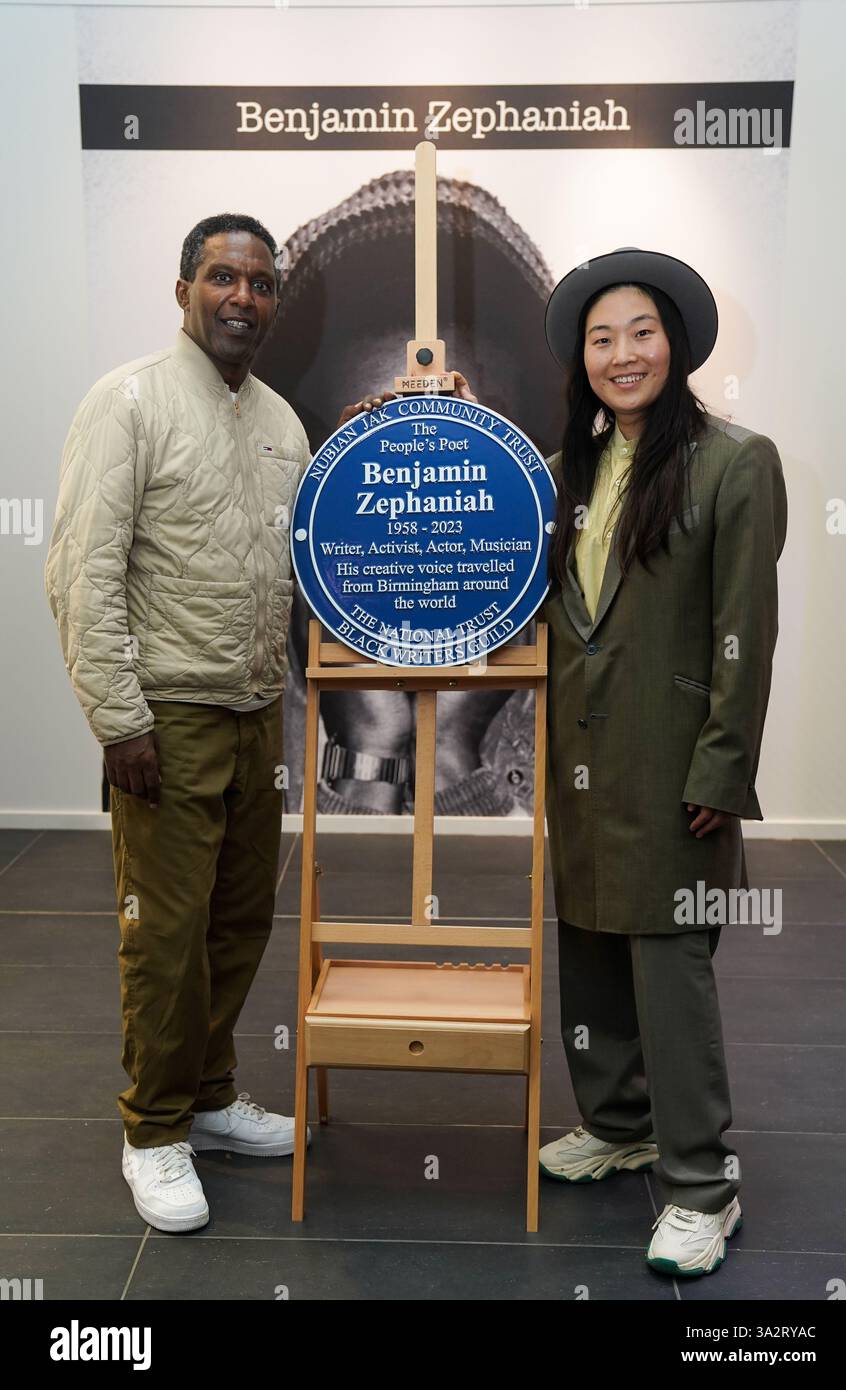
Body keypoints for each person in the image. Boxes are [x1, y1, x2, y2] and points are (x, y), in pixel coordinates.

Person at [43, 213, 390, 1234]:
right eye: (222, 277)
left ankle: (206, 1095)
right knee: (164, 936)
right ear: (185, 287)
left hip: (252, 718)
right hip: (165, 719)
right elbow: (79, 573)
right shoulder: (129, 400)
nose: (243, 297)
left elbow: (305, 557)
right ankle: (151, 1132)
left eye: (259, 283)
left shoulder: (282, 421)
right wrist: (119, 720)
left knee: (238, 923)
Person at [537, 247, 787, 1276]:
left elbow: (745, 631)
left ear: (674, 342)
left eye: (640, 332)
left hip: (676, 765)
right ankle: (617, 1120)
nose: (621, 353)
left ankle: (697, 1182)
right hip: (583, 762)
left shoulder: (735, 461)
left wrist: (721, 769)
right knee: (590, 943)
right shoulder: (570, 471)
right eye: (601, 337)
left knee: (668, 970)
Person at [252, 171, 566, 817]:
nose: (422, 493)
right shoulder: (257, 661)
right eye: (378, 437)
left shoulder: (575, 656)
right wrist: (366, 742)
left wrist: (454, 741)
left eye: (469, 436)